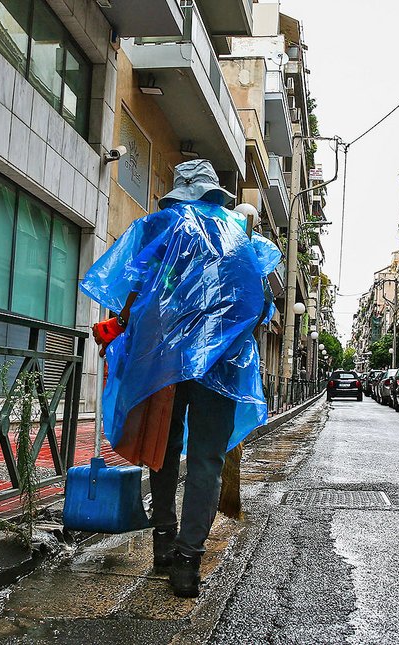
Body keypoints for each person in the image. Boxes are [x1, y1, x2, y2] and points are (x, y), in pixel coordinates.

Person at [80, 159, 281, 598]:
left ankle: (162, 543)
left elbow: (133, 284)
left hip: (163, 360)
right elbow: (260, 307)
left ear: (178, 192)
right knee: (207, 459)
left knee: (163, 449)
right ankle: (188, 564)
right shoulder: (241, 237)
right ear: (215, 194)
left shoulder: (159, 227)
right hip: (222, 365)